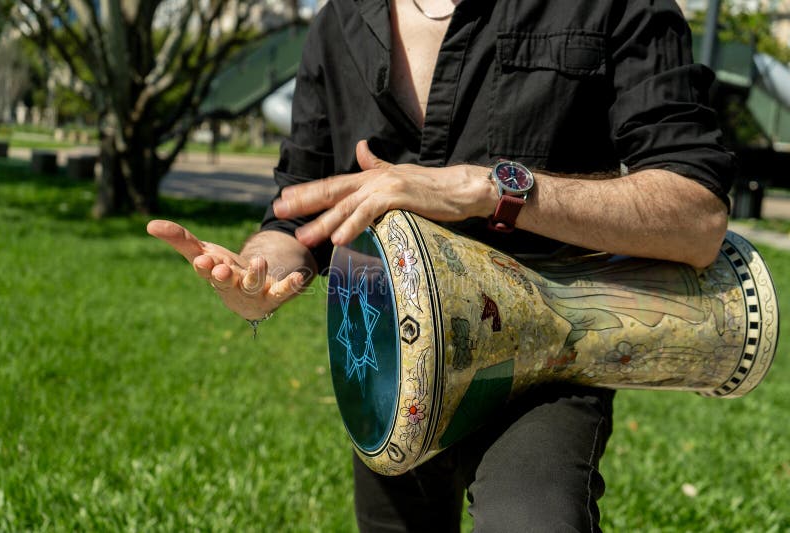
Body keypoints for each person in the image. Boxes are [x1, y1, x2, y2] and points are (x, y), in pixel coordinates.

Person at [148, 0, 733, 530]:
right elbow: (298, 214)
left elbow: (695, 217)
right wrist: (259, 271)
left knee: (529, 520)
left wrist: (486, 189)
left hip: (544, 365)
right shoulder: (340, 21)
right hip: (383, 371)